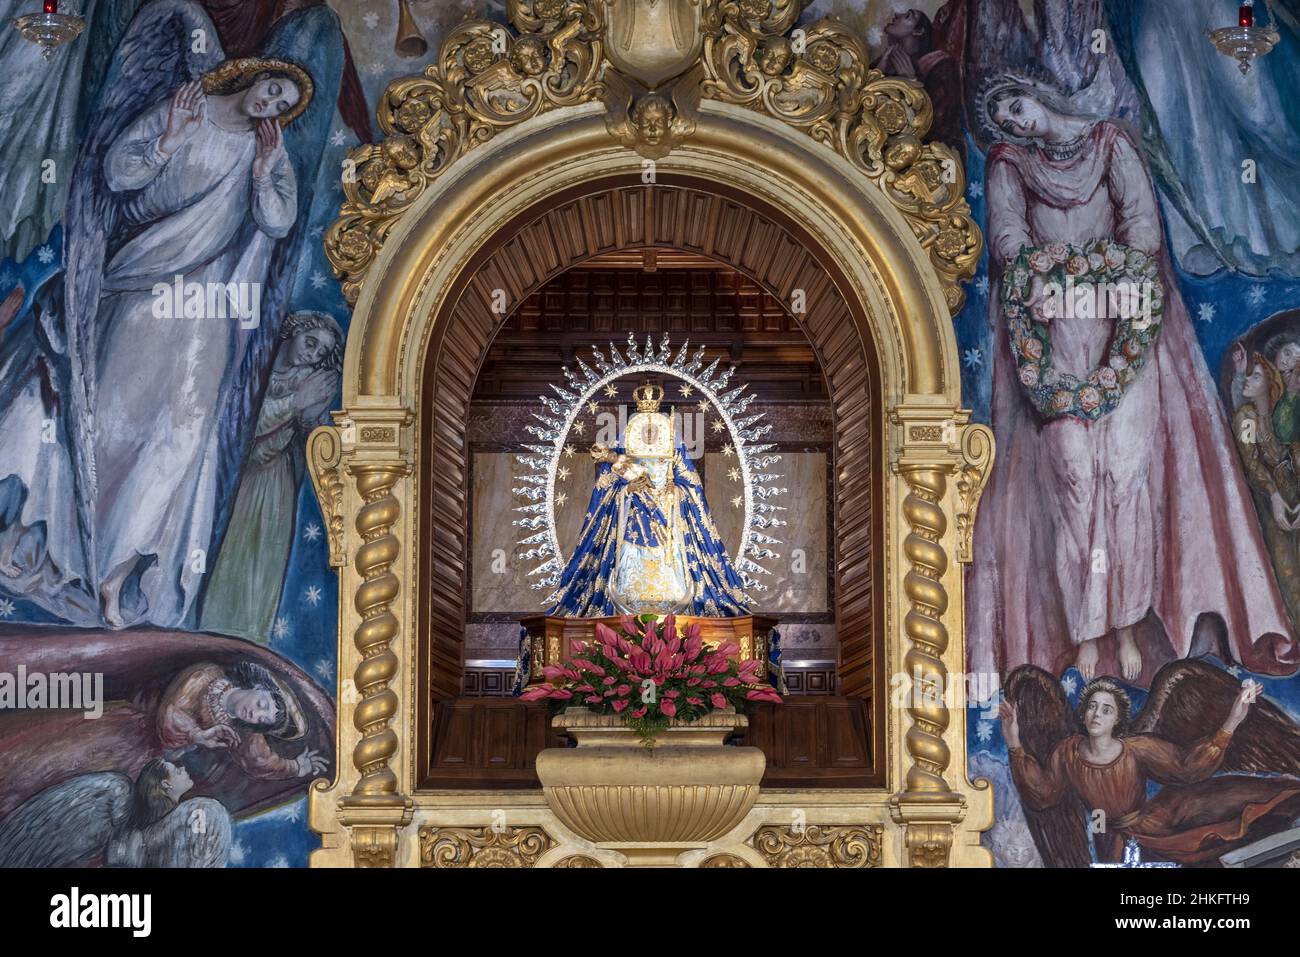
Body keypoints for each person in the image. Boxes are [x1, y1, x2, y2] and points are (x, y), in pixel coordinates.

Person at [968, 74, 1296, 684]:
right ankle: (1085, 629)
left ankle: (1124, 623)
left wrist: (1093, 274)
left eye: (1017, 105)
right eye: (1005, 120)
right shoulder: (1009, 166)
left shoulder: (1112, 145)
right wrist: (1068, 274)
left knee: (1125, 476)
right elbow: (1009, 243)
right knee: (1071, 481)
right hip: (1054, 341)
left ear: (1039, 94)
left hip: (1126, 331)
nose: (1016, 122)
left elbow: (1144, 231)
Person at [1001, 677, 1300, 864]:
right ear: (1083, 713)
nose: (1096, 714)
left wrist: (1232, 721)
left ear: (1117, 719)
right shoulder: (1066, 752)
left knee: (1214, 836)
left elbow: (1187, 768)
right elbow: (1043, 793)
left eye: (1106, 709)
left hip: (1154, 826)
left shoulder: (1136, 748)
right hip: (1110, 840)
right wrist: (1014, 740)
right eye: (1092, 706)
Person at [548, 382, 750, 617]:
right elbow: (605, 490)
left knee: (673, 571)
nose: (650, 432)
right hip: (632, 518)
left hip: (670, 521)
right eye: (645, 428)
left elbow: (691, 486)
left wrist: (674, 493)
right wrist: (627, 490)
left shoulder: (674, 448)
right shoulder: (621, 449)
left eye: (654, 428)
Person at [200, 311, 342, 641]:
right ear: (290, 334)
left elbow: (303, 435)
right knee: (225, 561)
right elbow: (243, 429)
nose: (313, 354)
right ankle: (209, 637)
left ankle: (247, 640)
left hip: (273, 484)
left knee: (258, 566)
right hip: (231, 480)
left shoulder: (310, 383)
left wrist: (307, 415)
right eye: (310, 343)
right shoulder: (253, 371)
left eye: (321, 352)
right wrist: (295, 402)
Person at [157, 661, 328, 781]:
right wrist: (196, 734)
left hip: (171, 764)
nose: (255, 714)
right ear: (257, 686)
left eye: (262, 719)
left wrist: (295, 767)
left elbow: (259, 761)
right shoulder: (204, 677)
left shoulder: (243, 731)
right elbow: (170, 715)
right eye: (262, 704)